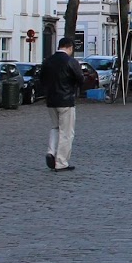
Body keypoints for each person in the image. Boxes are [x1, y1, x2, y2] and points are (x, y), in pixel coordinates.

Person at [40, 39, 86, 171]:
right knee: (66, 132)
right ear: (70, 48)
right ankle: (61, 162)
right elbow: (80, 79)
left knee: (55, 127)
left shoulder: (48, 61)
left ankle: (51, 152)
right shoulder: (71, 62)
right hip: (66, 100)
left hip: (51, 100)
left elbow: (42, 79)